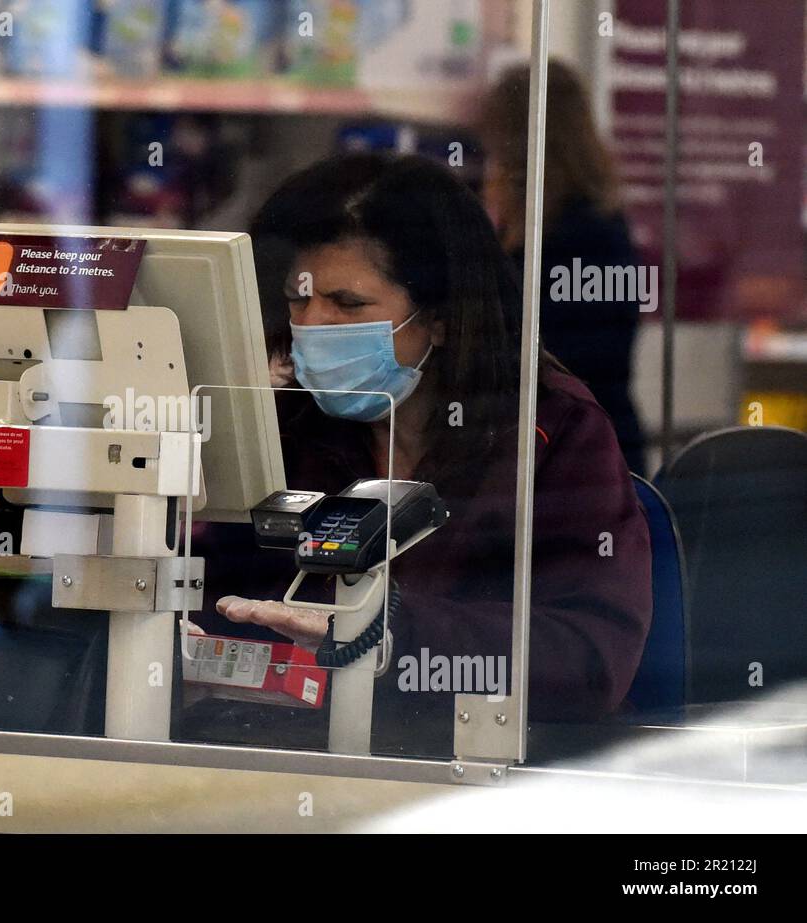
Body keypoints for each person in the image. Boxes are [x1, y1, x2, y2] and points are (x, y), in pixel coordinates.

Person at [188, 152, 651, 758]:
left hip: (480, 776)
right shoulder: (286, 426)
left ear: (441, 319)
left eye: (347, 304)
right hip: (283, 761)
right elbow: (225, 593)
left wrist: (389, 633)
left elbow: (589, 657)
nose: (313, 326)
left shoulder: (550, 432)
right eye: (299, 301)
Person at [477, 60, 647, 473]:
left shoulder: (575, 235)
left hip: (577, 455)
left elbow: (551, 355)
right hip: (589, 442)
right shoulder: (595, 222)